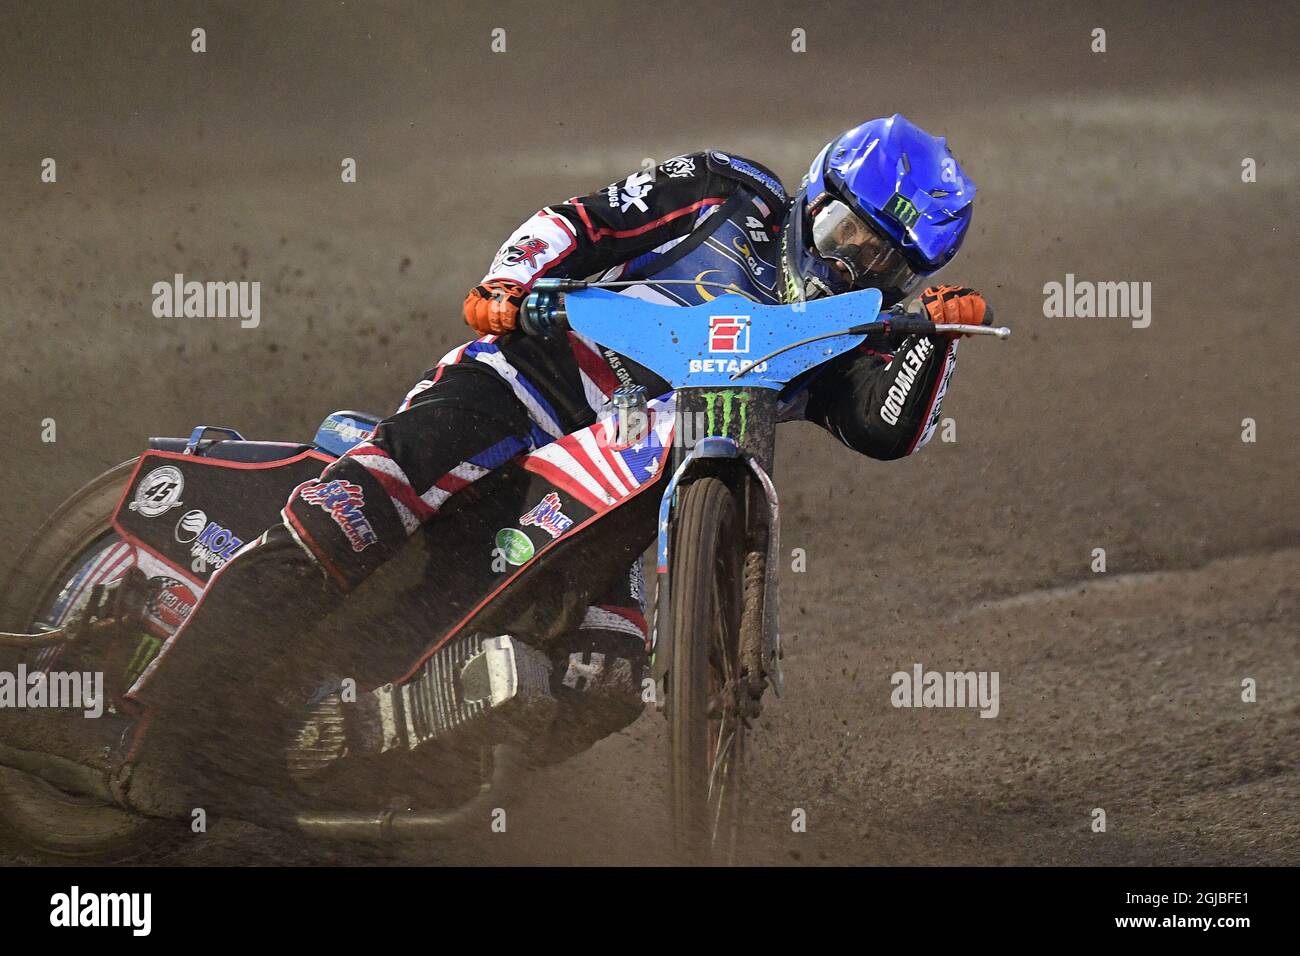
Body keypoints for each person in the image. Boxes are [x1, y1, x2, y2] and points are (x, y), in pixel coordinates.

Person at [115, 114, 992, 816]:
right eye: (846, 231)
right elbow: (585, 221)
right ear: (816, 192)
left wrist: (935, 338)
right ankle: (169, 734)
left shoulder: (860, 332)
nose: (850, 263)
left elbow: (884, 430)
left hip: (625, 499)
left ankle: (381, 780)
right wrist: (510, 283)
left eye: (884, 262)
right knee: (359, 510)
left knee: (604, 680)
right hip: (529, 389)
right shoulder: (728, 191)